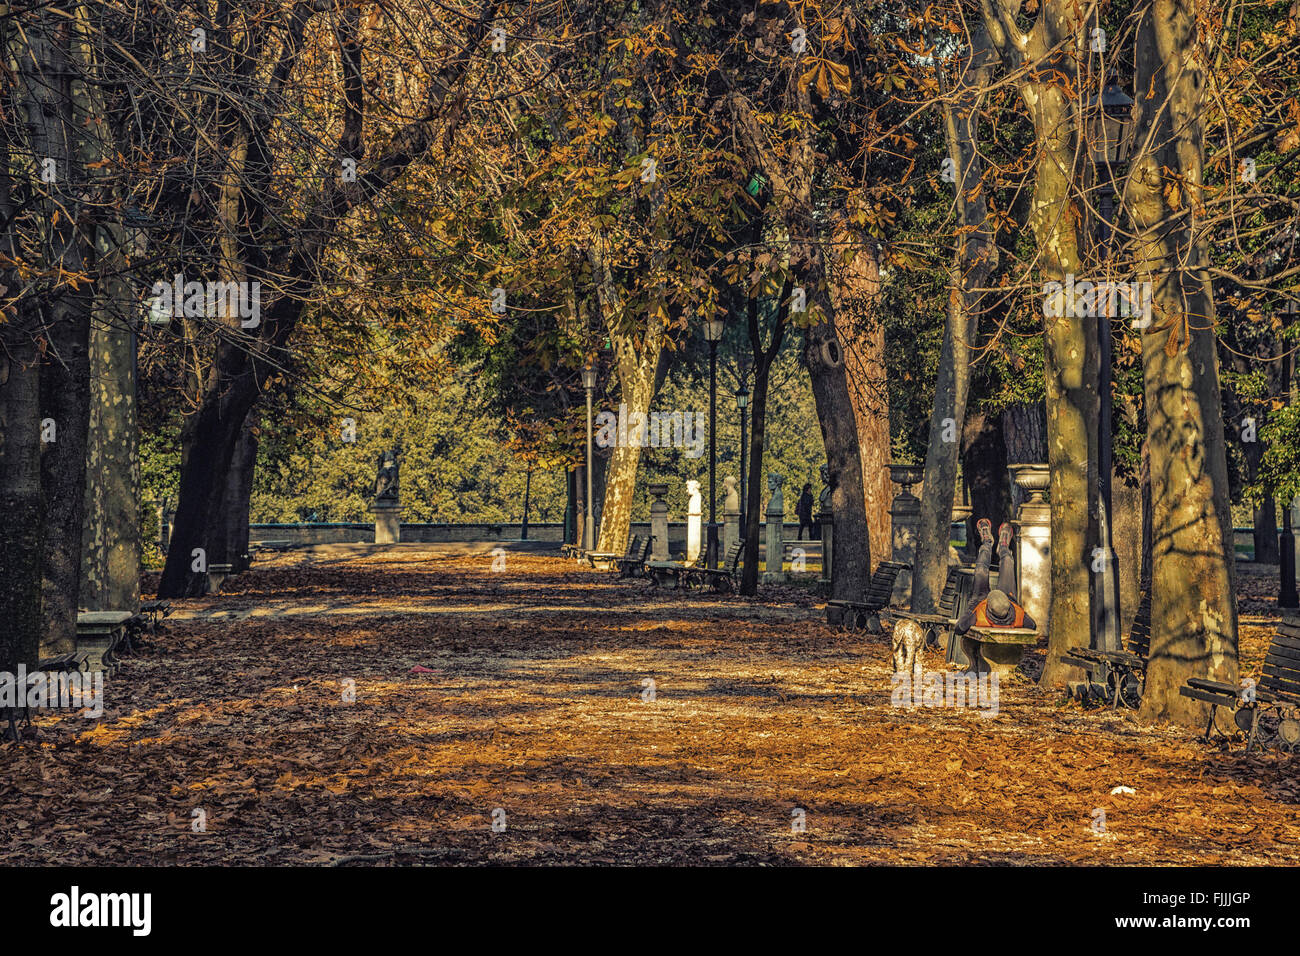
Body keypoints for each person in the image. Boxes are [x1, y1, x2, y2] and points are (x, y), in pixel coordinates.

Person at [955, 519, 1035, 634]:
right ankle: (1003, 547)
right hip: (1008, 599)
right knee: (1007, 561)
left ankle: (987, 542)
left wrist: (968, 612)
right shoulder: (1018, 615)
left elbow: (959, 629)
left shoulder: (978, 615)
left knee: (981, 570)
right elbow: (1033, 625)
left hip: (980, 601)